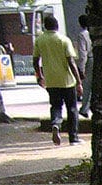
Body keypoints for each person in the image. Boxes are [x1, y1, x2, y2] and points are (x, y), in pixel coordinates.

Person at [33, 14, 82, 145]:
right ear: (57, 26)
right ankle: (73, 138)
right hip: (67, 81)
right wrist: (78, 81)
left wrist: (40, 76)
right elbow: (71, 61)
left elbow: (35, 60)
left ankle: (56, 123)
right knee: (72, 108)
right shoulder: (64, 40)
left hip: (51, 81)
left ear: (45, 26)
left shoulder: (39, 40)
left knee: (55, 106)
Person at [75, 14, 93, 118]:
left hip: (89, 60)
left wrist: (81, 69)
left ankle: (84, 108)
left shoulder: (82, 35)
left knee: (87, 86)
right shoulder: (93, 33)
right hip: (96, 59)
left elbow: (82, 54)